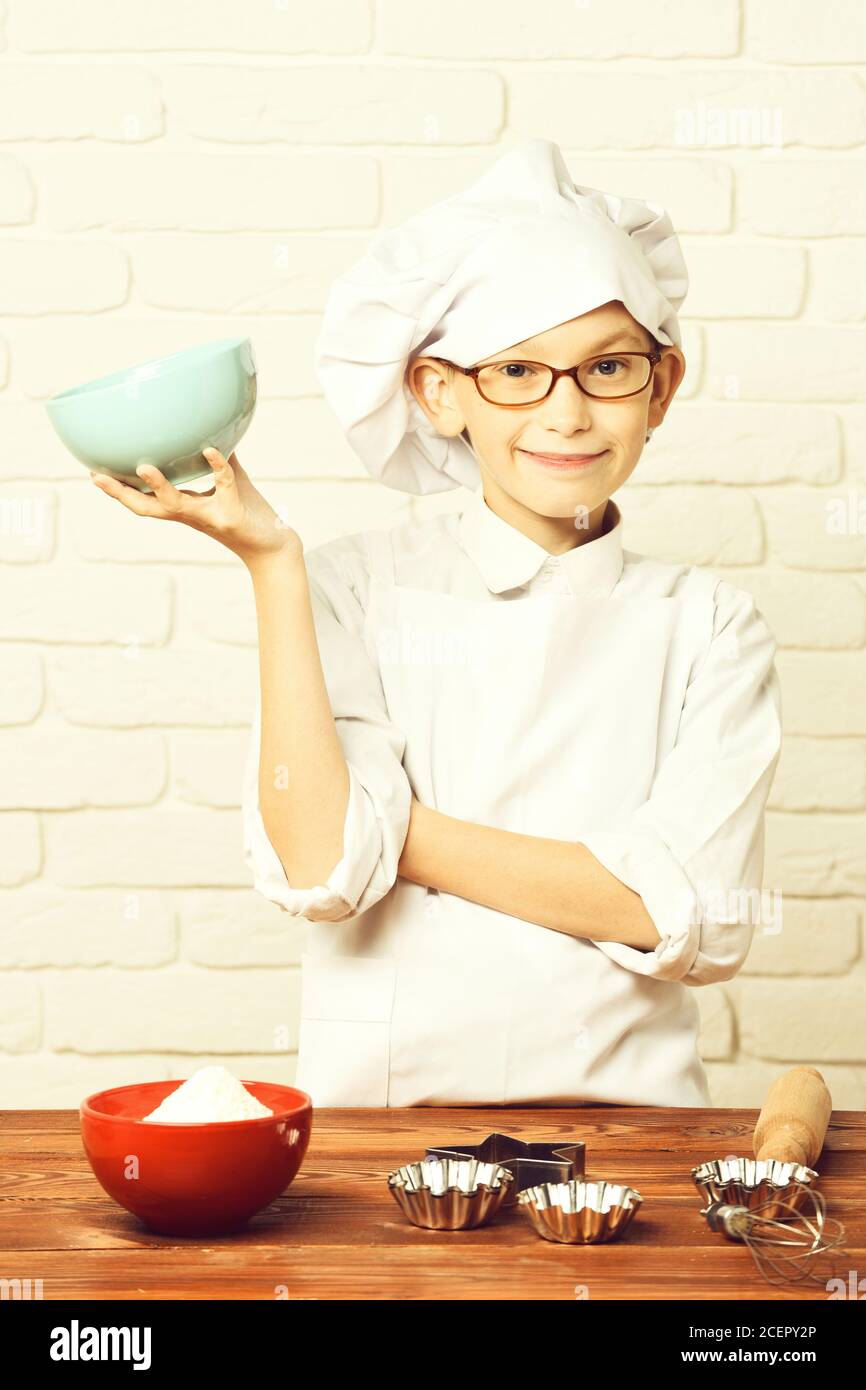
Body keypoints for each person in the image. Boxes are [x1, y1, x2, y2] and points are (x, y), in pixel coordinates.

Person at [90, 139, 782, 1109]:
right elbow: (322, 864)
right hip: (378, 1136)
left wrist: (392, 833)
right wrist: (271, 563)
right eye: (514, 371)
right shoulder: (350, 586)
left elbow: (695, 919)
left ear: (659, 385)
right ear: (438, 391)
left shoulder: (712, 626)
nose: (567, 411)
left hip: (635, 1133)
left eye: (607, 367)